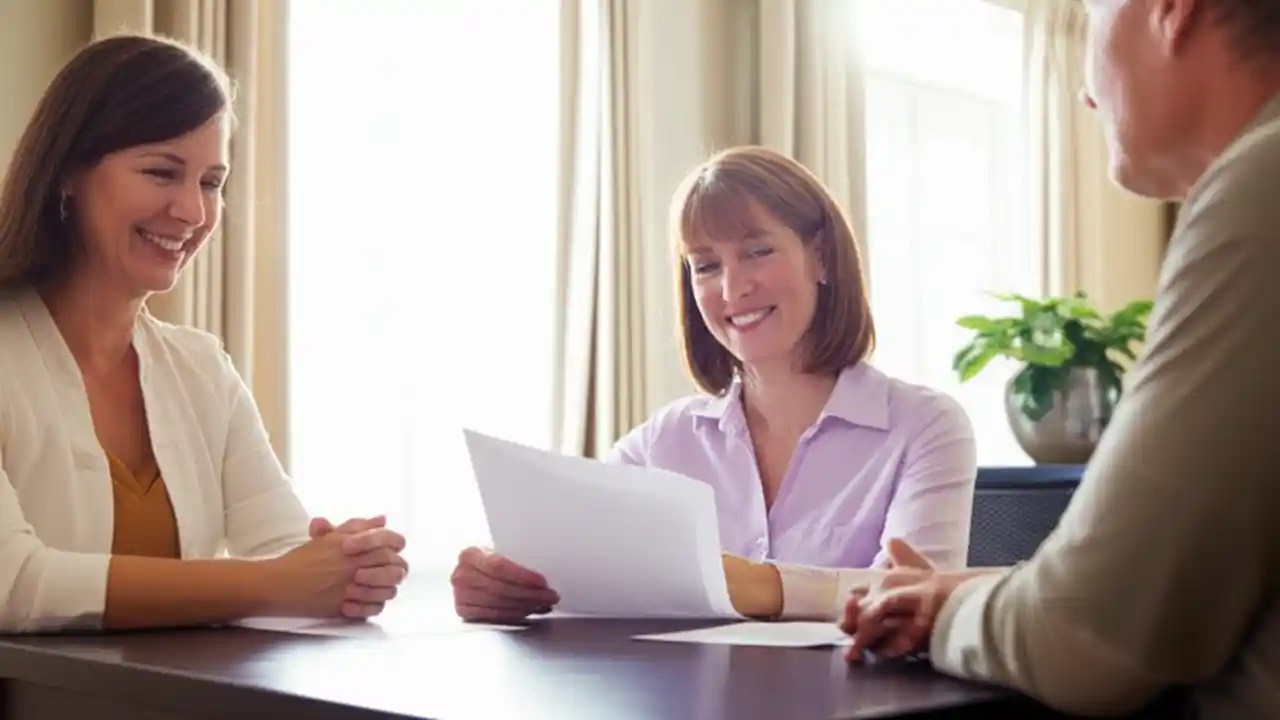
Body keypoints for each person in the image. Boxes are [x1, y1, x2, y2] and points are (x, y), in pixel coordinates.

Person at [839, 1, 1280, 717]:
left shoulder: (1263, 188)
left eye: (1090, 14)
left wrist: (946, 616)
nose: (1084, 91)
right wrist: (988, 593)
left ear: (1170, 10)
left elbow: (1090, 641)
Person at [451, 146, 976, 623]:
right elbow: (579, 556)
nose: (732, 288)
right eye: (705, 266)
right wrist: (501, 580)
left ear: (821, 257)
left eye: (757, 252)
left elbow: (917, 601)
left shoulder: (924, 427)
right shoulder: (662, 443)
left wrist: (760, 586)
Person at [0, 34, 408, 632]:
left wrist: (348, 566)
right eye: (161, 172)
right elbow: (13, 583)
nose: (192, 212)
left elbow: (282, 549)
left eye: (211, 182)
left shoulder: (201, 369)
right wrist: (282, 582)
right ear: (67, 174)